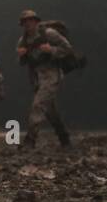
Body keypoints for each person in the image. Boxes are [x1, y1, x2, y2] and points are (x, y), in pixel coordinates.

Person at [16, 9, 74, 148]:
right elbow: (22, 62)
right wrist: (21, 55)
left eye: (30, 20)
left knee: (38, 105)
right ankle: (64, 137)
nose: (27, 24)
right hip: (37, 78)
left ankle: (30, 140)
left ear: (36, 21)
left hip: (51, 74)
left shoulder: (49, 34)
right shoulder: (22, 40)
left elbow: (68, 49)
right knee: (49, 110)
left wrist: (52, 50)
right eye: (24, 22)